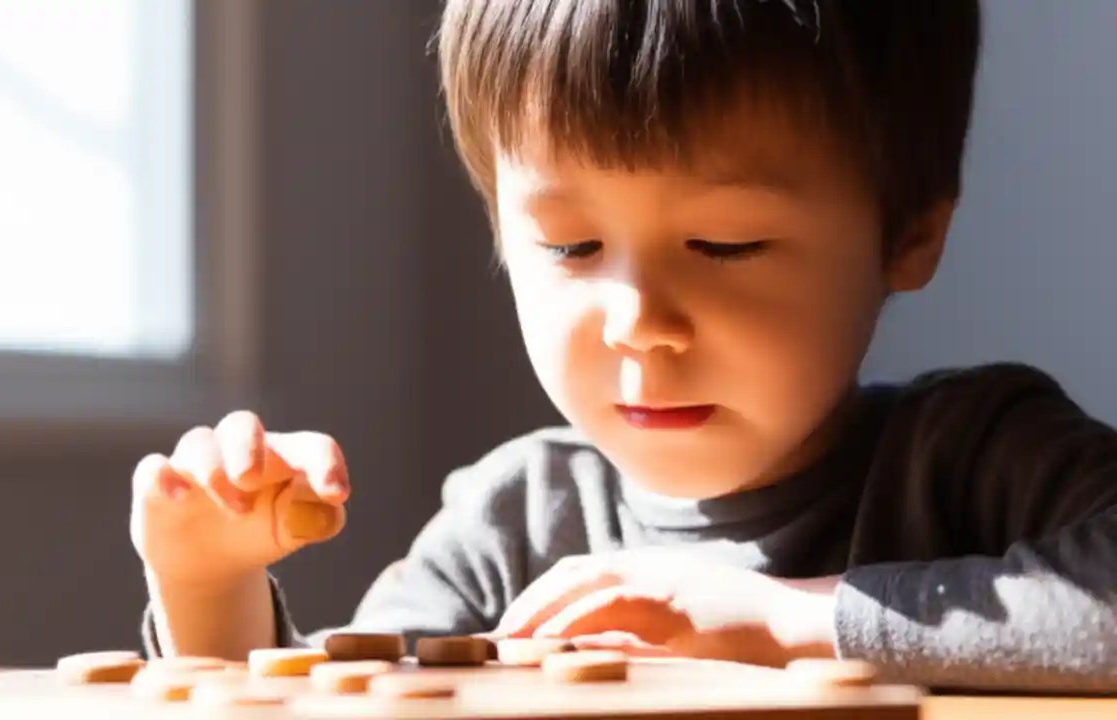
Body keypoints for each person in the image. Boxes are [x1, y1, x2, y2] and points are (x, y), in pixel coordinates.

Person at [130, 0, 1117, 691]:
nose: (635, 318)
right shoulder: (515, 526)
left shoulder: (975, 460)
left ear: (907, 234)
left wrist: (782, 622)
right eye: (569, 245)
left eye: (722, 245)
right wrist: (210, 587)